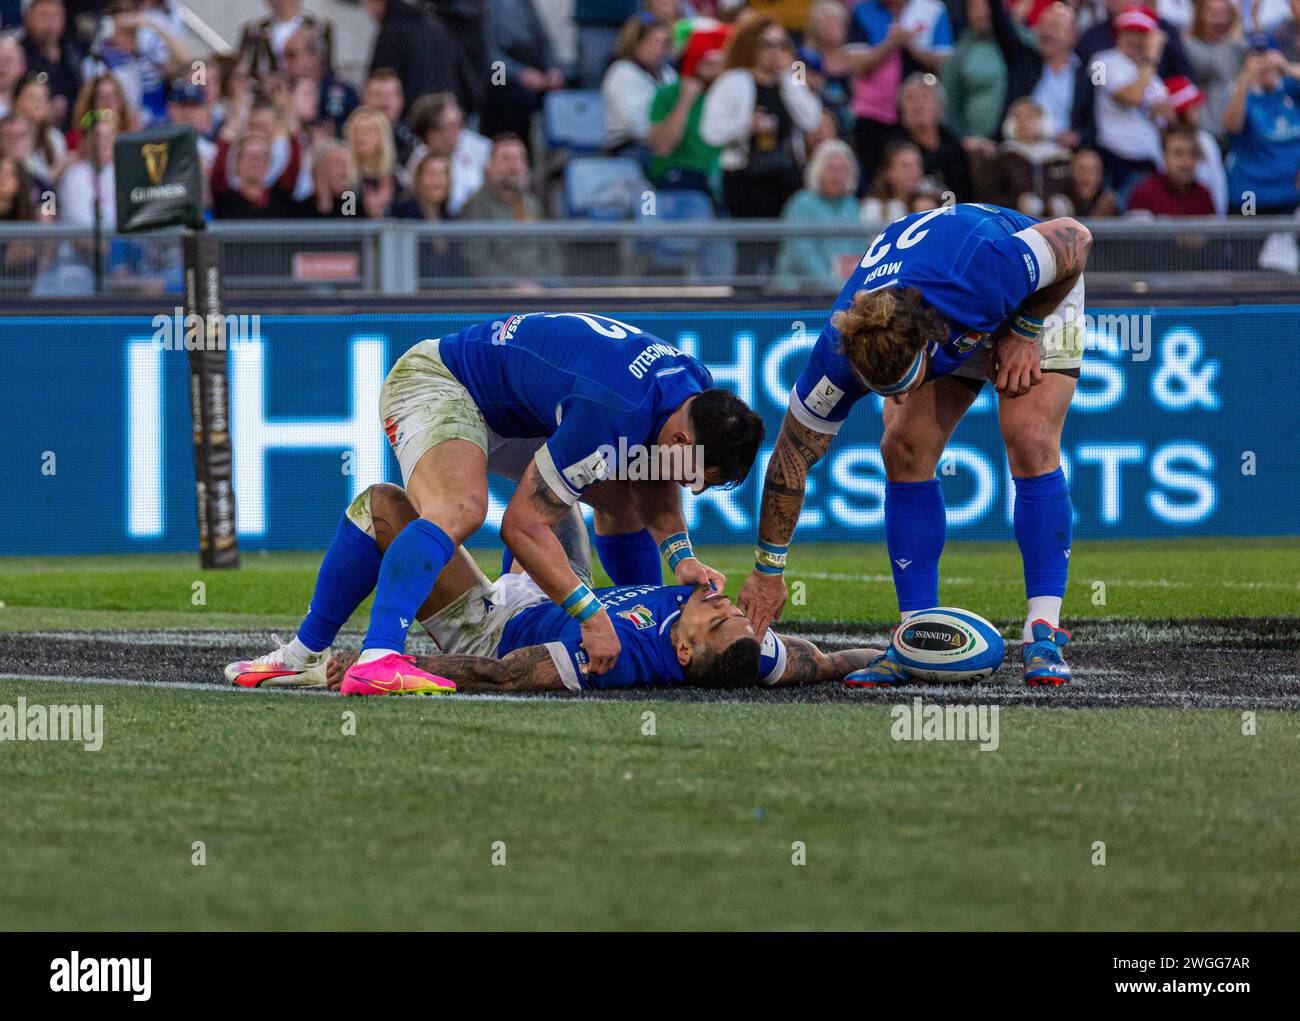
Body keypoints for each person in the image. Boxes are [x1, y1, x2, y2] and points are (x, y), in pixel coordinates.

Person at [234, 312, 764, 694]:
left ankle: (636, 614)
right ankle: (374, 657)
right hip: (442, 381)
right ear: (682, 440)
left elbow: (648, 475)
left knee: (619, 494)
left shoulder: (691, 388)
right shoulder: (613, 409)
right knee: (462, 507)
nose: (690, 487)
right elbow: (520, 525)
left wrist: (679, 556)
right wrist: (589, 614)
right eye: (695, 476)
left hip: (520, 411)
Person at [738, 203, 1092, 688]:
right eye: (887, 391)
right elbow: (790, 458)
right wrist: (767, 569)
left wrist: (1025, 331)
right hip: (950, 308)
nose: (901, 398)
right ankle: (914, 639)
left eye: (905, 384)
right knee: (902, 448)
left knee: (1030, 439)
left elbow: (1076, 236)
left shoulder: (982, 274)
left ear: (927, 345)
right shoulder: (836, 354)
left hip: (1036, 296)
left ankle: (1043, 631)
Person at [226, 483, 880, 694]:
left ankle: (306, 651)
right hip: (557, 596)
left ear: (682, 652)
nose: (724, 605)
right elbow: (824, 662)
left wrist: (386, 662)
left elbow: (504, 673)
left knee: (381, 506)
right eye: (734, 611)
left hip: (491, 624)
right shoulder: (749, 648)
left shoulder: (620, 657)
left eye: (715, 619)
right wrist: (894, 656)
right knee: (564, 490)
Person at [700, 16, 821, 273]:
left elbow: (811, 120)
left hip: (786, 176)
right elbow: (710, 132)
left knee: (781, 252)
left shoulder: (792, 80)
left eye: (780, 44)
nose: (774, 51)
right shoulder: (732, 81)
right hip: (746, 178)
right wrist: (746, 126)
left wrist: (788, 78)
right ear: (751, 45)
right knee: (749, 254)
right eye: (766, 44)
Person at [843, 0, 954, 184]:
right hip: (873, 115)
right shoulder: (862, 11)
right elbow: (857, 65)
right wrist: (892, 43)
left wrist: (913, 47)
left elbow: (946, 64)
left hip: (918, 117)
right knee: (876, 177)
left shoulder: (933, 9)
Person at [1091, 5, 1172, 201]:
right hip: (1115, 160)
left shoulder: (1154, 79)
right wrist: (1151, 58)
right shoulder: (1102, 61)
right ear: (1118, 33)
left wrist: (1164, 115)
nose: (1135, 39)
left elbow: (1166, 122)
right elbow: (1131, 97)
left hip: (1150, 162)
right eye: (1129, 32)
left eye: (1141, 34)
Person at [989, 0, 1089, 146]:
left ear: (1073, 35)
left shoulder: (1086, 75)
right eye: (1041, 25)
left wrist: (1077, 138)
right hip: (1019, 149)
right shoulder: (1023, 61)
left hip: (1063, 154)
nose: (1046, 32)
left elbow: (1093, 127)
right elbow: (1001, 24)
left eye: (1054, 26)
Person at [646, 22, 729, 194]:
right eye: (708, 63)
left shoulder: (733, 93)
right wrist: (684, 101)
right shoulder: (669, 93)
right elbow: (662, 148)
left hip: (724, 172)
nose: (716, 70)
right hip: (681, 170)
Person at [1222, 35, 1300, 214]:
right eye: (1256, 57)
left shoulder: (1291, 87)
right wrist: (1245, 78)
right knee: (1247, 229)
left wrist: (1286, 67)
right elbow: (1231, 126)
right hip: (1250, 191)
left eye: (1267, 55)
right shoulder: (1239, 93)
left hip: (1291, 190)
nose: (1264, 63)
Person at [82, 0, 191, 127]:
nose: (131, 37)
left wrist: (154, 25)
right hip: (121, 127)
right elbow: (89, 112)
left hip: (159, 123)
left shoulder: (147, 55)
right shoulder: (99, 59)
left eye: (134, 31)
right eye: (126, 31)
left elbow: (187, 62)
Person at [775, 139, 864, 288]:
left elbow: (860, 249)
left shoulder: (852, 205)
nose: (838, 176)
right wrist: (833, 286)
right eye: (832, 169)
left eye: (843, 170)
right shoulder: (801, 203)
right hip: (800, 289)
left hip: (843, 288)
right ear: (818, 169)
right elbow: (802, 256)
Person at [457, 133, 547, 279]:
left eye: (520, 159)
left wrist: (552, 282)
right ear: (489, 166)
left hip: (544, 285)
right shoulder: (475, 206)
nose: (514, 167)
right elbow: (476, 260)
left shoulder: (533, 203)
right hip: (501, 290)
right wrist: (513, 286)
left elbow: (551, 249)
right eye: (506, 159)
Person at [365, 0, 476, 118]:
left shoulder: (391, 32)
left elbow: (382, 78)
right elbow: (468, 79)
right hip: (446, 114)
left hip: (413, 118)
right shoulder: (437, 26)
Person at [481, 0, 565, 143]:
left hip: (530, 63)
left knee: (562, 92)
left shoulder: (525, 3)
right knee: (508, 94)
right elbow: (489, 53)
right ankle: (511, 146)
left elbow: (543, 39)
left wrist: (553, 69)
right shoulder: (484, 5)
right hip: (499, 69)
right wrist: (520, 74)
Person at [885, 71, 972, 200]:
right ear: (902, 108)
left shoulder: (952, 143)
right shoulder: (895, 145)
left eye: (924, 96)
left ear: (939, 105)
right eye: (910, 98)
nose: (917, 103)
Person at [601, 15, 675, 159]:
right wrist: (665, 135)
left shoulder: (668, 73)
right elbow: (636, 126)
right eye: (655, 42)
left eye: (665, 43)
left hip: (665, 143)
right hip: (631, 147)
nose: (660, 49)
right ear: (637, 43)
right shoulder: (622, 72)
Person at [405, 91, 489, 215]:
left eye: (460, 124)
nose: (461, 131)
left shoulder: (474, 145)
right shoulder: (419, 162)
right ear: (433, 134)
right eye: (453, 126)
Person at [988, 97, 1073, 217]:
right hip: (1017, 221)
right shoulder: (1004, 157)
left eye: (1031, 116)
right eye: (1018, 117)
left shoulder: (1060, 157)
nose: (1024, 122)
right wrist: (1018, 204)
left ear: (1044, 121)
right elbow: (993, 196)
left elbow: (1073, 192)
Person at [942, 0, 1007, 142]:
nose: (982, 13)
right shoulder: (960, 53)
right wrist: (962, 140)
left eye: (987, 5)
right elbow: (949, 104)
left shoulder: (1019, 43)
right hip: (975, 142)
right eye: (975, 7)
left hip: (1020, 140)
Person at [1182, 0, 1247, 141]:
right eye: (1214, 13)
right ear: (1200, 16)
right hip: (1208, 131)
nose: (1220, 19)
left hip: (1240, 131)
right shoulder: (1190, 49)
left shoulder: (1238, 48)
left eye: (1225, 14)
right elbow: (1211, 65)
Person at [1163, 74, 1226, 213]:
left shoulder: (1206, 140)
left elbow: (1218, 183)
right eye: (1193, 107)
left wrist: (1219, 217)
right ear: (1181, 112)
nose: (1198, 112)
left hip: (1207, 212)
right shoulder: (1163, 141)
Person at [16, 0, 83, 131]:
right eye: (43, 15)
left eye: (55, 16)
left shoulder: (75, 53)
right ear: (28, 18)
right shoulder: (18, 55)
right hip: (33, 131)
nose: (49, 22)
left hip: (75, 130)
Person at [1126, 122, 1215, 213]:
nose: (1186, 162)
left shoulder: (1203, 196)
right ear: (1164, 156)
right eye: (1178, 153)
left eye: (1192, 154)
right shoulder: (1144, 194)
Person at [236, 0, 334, 78]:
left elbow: (326, 68)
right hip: (265, 94)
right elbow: (243, 70)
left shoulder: (319, 28)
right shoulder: (254, 30)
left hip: (308, 93)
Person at [343, 105, 397, 218]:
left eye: (369, 131)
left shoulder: (395, 176)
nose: (362, 136)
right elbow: (346, 215)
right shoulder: (344, 173)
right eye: (357, 131)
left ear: (382, 137)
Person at [860, 138, 926, 221]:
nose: (915, 171)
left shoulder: (930, 200)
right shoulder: (873, 207)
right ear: (888, 171)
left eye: (918, 165)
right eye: (906, 166)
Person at [1063, 146, 1120, 214]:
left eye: (1093, 170)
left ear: (1100, 175)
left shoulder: (1106, 200)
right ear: (1071, 172)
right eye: (1082, 169)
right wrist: (1098, 213)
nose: (1087, 175)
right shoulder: (1061, 198)